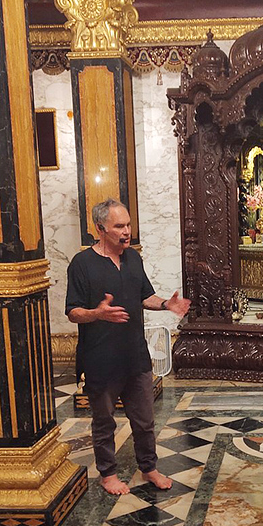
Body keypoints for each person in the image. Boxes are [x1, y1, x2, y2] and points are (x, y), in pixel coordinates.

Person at [66, 199, 190, 496]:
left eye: (128, 225)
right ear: (100, 229)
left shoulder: (133, 258)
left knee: (145, 420)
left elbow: (144, 296)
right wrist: (98, 314)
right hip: (100, 359)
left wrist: (166, 304)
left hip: (136, 355)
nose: (126, 232)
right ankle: (108, 474)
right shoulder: (81, 264)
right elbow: (72, 312)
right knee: (104, 421)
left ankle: (149, 468)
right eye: (119, 226)